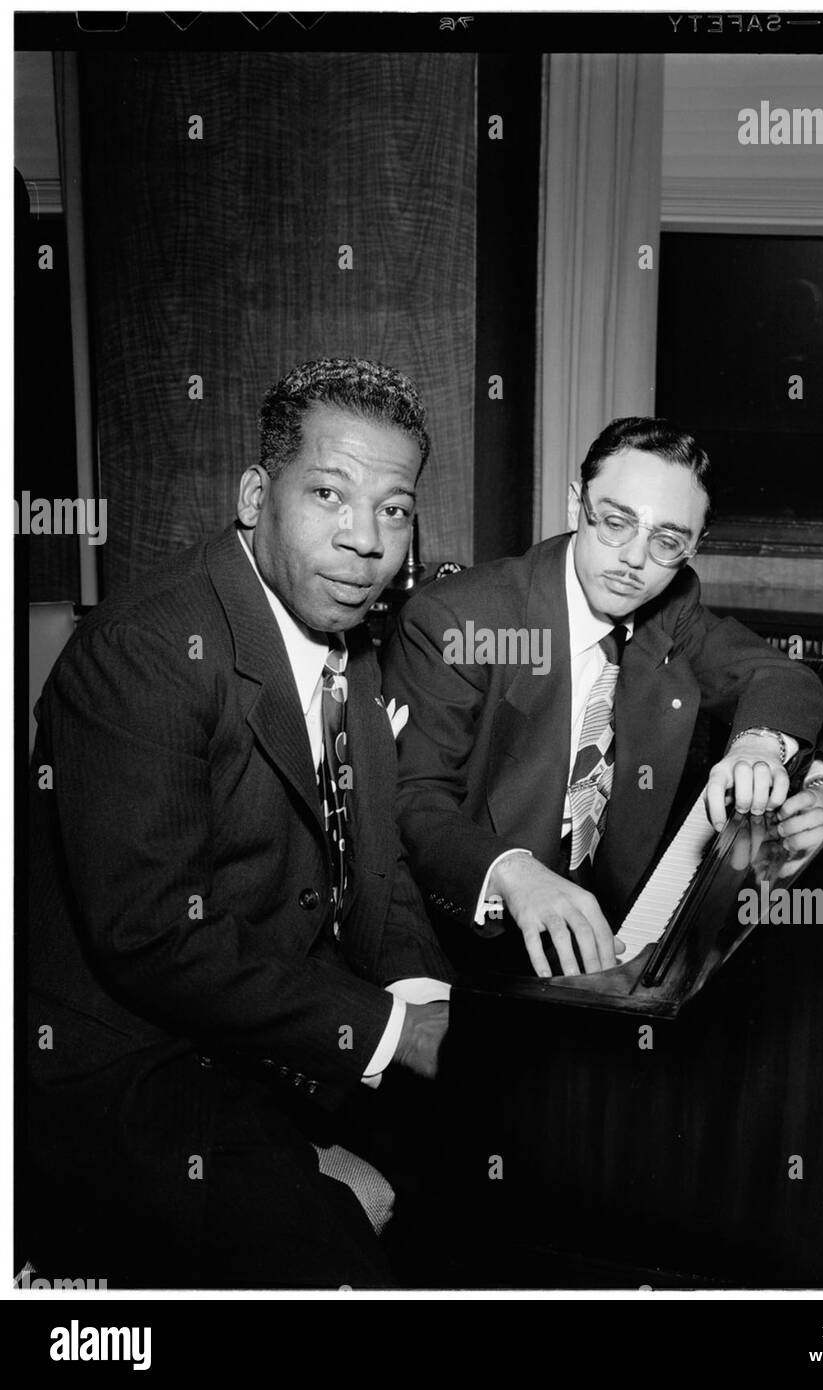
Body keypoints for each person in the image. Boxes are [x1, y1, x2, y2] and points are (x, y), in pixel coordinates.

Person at [22, 358, 452, 1289]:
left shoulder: (348, 630)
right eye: (329, 494)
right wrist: (392, 1033)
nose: (364, 541)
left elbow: (372, 858)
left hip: (256, 1030)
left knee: (499, 1194)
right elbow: (152, 938)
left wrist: (421, 990)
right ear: (257, 494)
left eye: (395, 508)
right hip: (130, 1064)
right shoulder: (147, 650)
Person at [382, 416, 823, 979]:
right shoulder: (463, 621)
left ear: (694, 546)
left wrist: (762, 746)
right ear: (576, 504)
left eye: (668, 541)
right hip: (468, 946)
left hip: (612, 924)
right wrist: (510, 871)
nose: (634, 558)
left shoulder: (669, 609)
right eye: (616, 522)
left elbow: (783, 679)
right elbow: (413, 801)